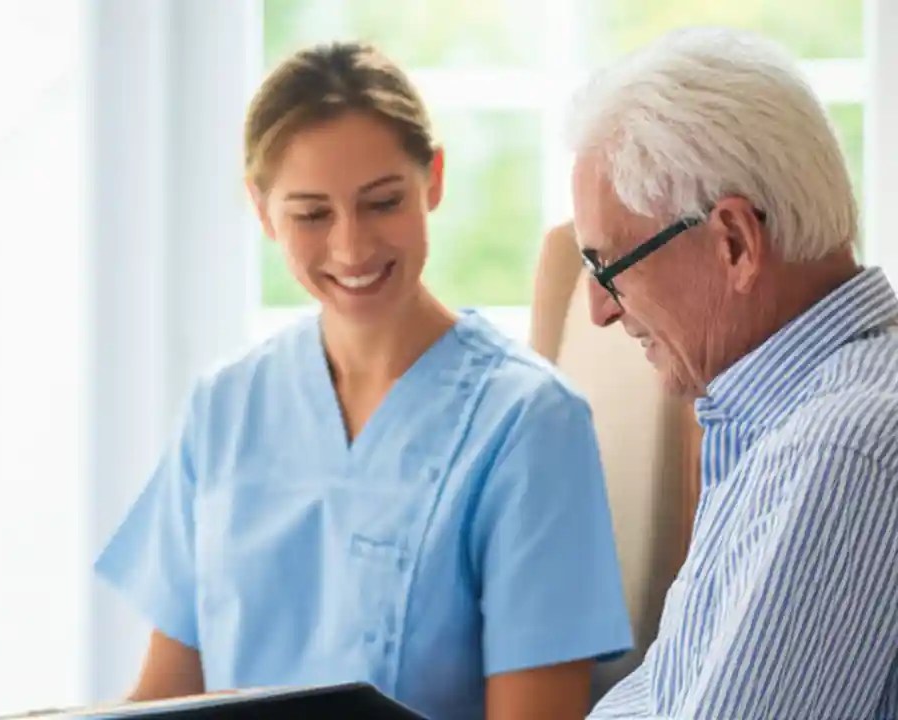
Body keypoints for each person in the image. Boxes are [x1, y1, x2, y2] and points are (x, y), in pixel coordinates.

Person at [94, 42, 632, 720]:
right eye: (312, 214)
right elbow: (164, 701)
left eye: (382, 203)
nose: (352, 247)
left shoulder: (529, 423)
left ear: (432, 179)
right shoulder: (225, 408)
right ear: (262, 212)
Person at [562, 27, 898, 719]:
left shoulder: (838, 449)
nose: (597, 308)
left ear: (735, 243)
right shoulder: (780, 422)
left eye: (609, 267)